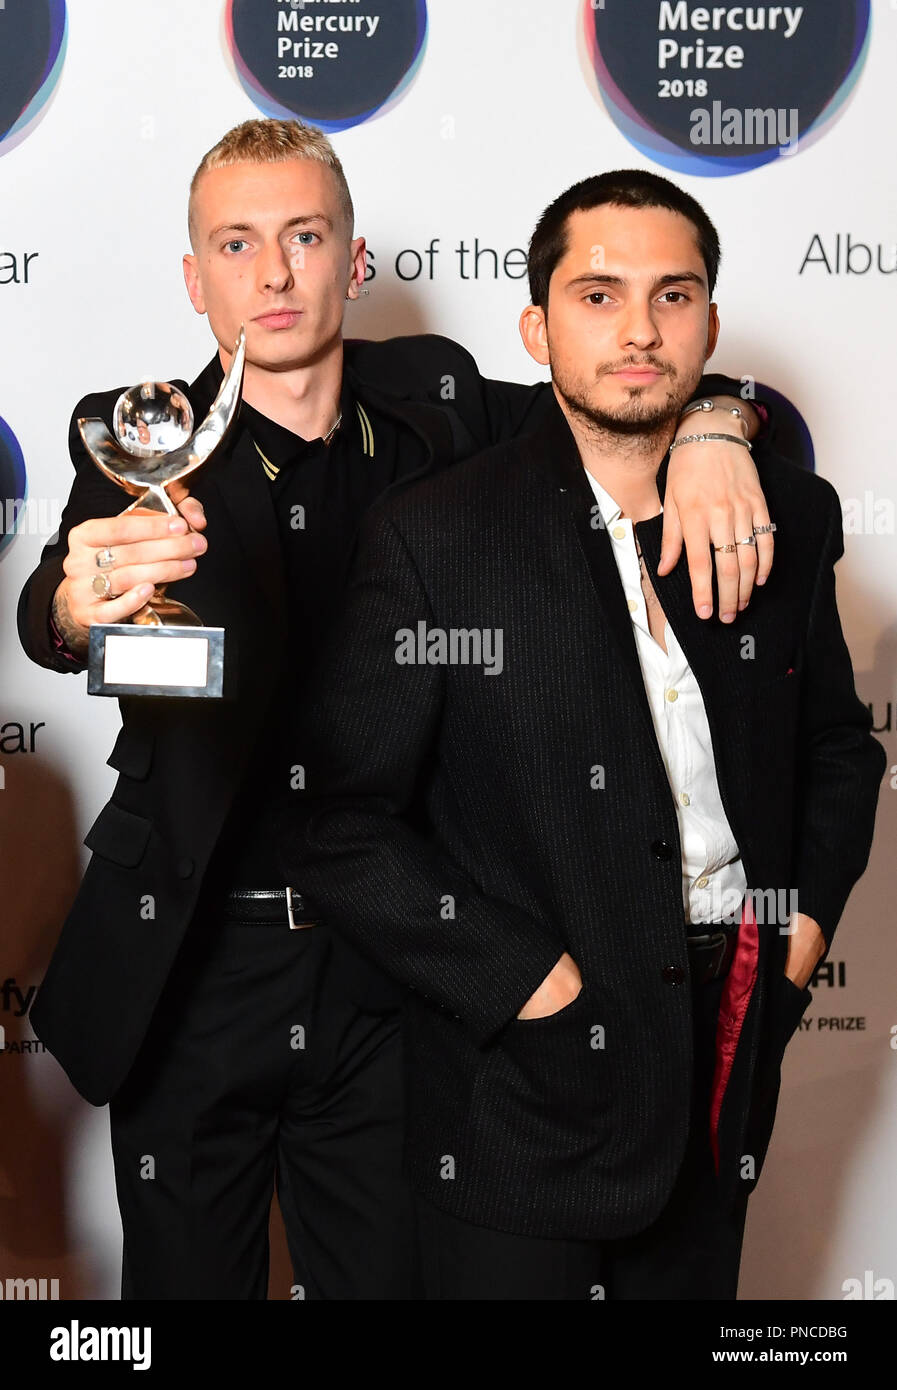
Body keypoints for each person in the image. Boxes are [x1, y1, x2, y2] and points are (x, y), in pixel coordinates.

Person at [19, 121, 773, 1300]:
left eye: (303, 236)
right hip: (194, 956)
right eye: (237, 244)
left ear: (353, 258)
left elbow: (623, 382)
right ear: (193, 276)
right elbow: (55, 615)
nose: (273, 275)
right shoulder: (133, 438)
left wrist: (722, 423)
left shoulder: (443, 401)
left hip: (390, 963)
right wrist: (77, 605)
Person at [276, 169, 885, 1300]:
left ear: (710, 320)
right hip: (520, 1082)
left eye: (673, 295)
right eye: (598, 296)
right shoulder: (437, 539)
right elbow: (338, 817)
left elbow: (841, 749)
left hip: (728, 1036)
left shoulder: (787, 518)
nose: (640, 331)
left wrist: (795, 941)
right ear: (535, 325)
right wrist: (531, 985)